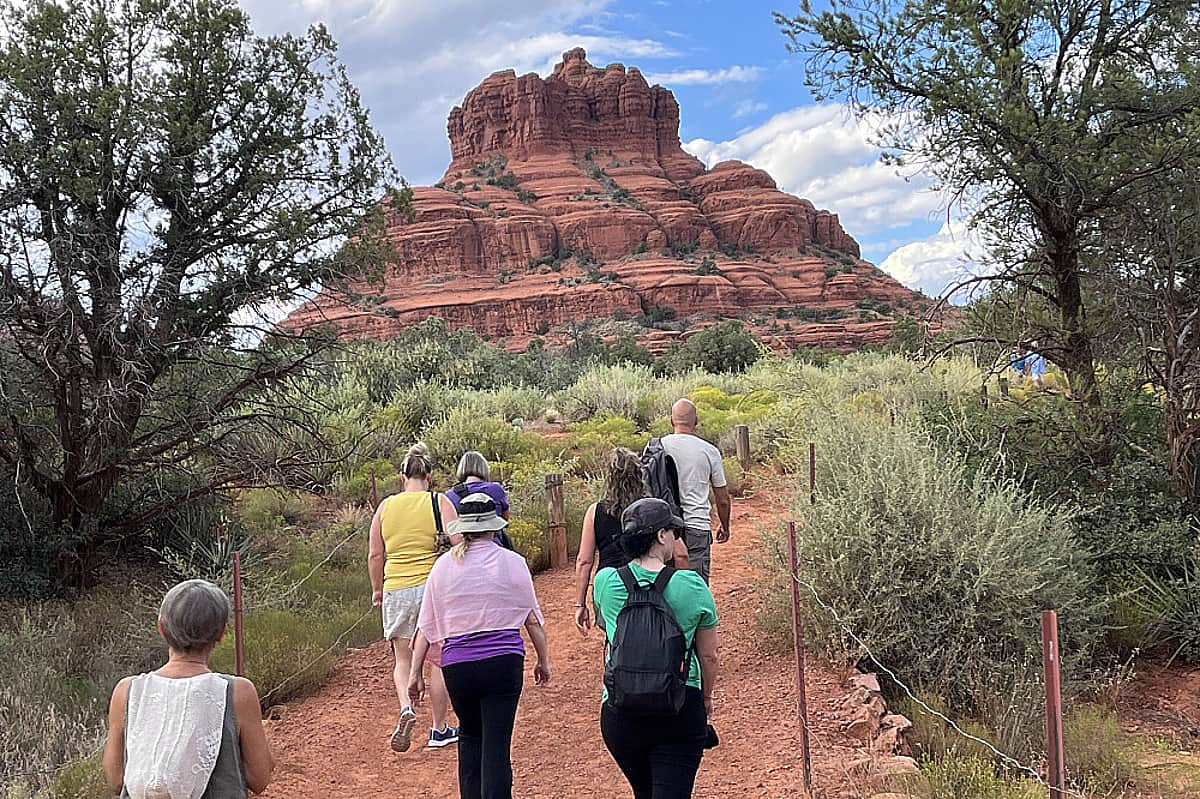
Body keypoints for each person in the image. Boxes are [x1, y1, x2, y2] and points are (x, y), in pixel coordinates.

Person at [409, 493, 551, 799]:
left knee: (471, 737)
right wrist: (543, 660)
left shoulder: (443, 566)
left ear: (462, 527)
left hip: (459, 667)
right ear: (493, 527)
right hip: (504, 663)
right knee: (497, 745)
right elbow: (533, 620)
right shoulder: (513, 563)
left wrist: (414, 674)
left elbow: (426, 627)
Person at [593, 498, 720, 799]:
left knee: (644, 791)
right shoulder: (691, 585)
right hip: (678, 705)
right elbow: (709, 655)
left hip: (620, 710)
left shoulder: (606, 581)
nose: (677, 538)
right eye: (674, 532)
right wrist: (706, 698)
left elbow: (608, 629)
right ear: (662, 535)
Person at [103, 579, 274, 799]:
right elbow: (259, 778)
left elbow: (116, 779)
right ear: (222, 633)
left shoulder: (126, 691)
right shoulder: (238, 692)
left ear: (161, 628)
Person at [369, 442, 460, 753]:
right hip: (432, 588)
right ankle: (438, 728)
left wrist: (377, 589)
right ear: (429, 475)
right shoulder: (441, 502)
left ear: (401, 476)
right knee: (438, 659)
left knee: (403, 659)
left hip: (396, 586)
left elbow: (375, 554)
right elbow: (458, 542)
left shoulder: (385, 507)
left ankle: (407, 707)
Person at [574, 447, 688, 633]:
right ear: (640, 475)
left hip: (611, 586)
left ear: (609, 478)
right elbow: (681, 554)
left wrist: (580, 604)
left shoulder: (596, 511)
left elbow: (584, 561)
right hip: (652, 582)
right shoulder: (655, 509)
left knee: (616, 636)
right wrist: (683, 589)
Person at [660, 399, 731, 584]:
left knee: (665, 586)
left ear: (671, 420)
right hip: (696, 525)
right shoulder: (709, 451)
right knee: (696, 588)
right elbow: (722, 498)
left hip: (664, 527)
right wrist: (725, 525)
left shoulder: (658, 447)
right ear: (696, 421)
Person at [445, 451, 510, 518]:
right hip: (492, 528)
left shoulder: (451, 494)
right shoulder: (496, 489)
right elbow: (505, 518)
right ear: (484, 468)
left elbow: (448, 523)